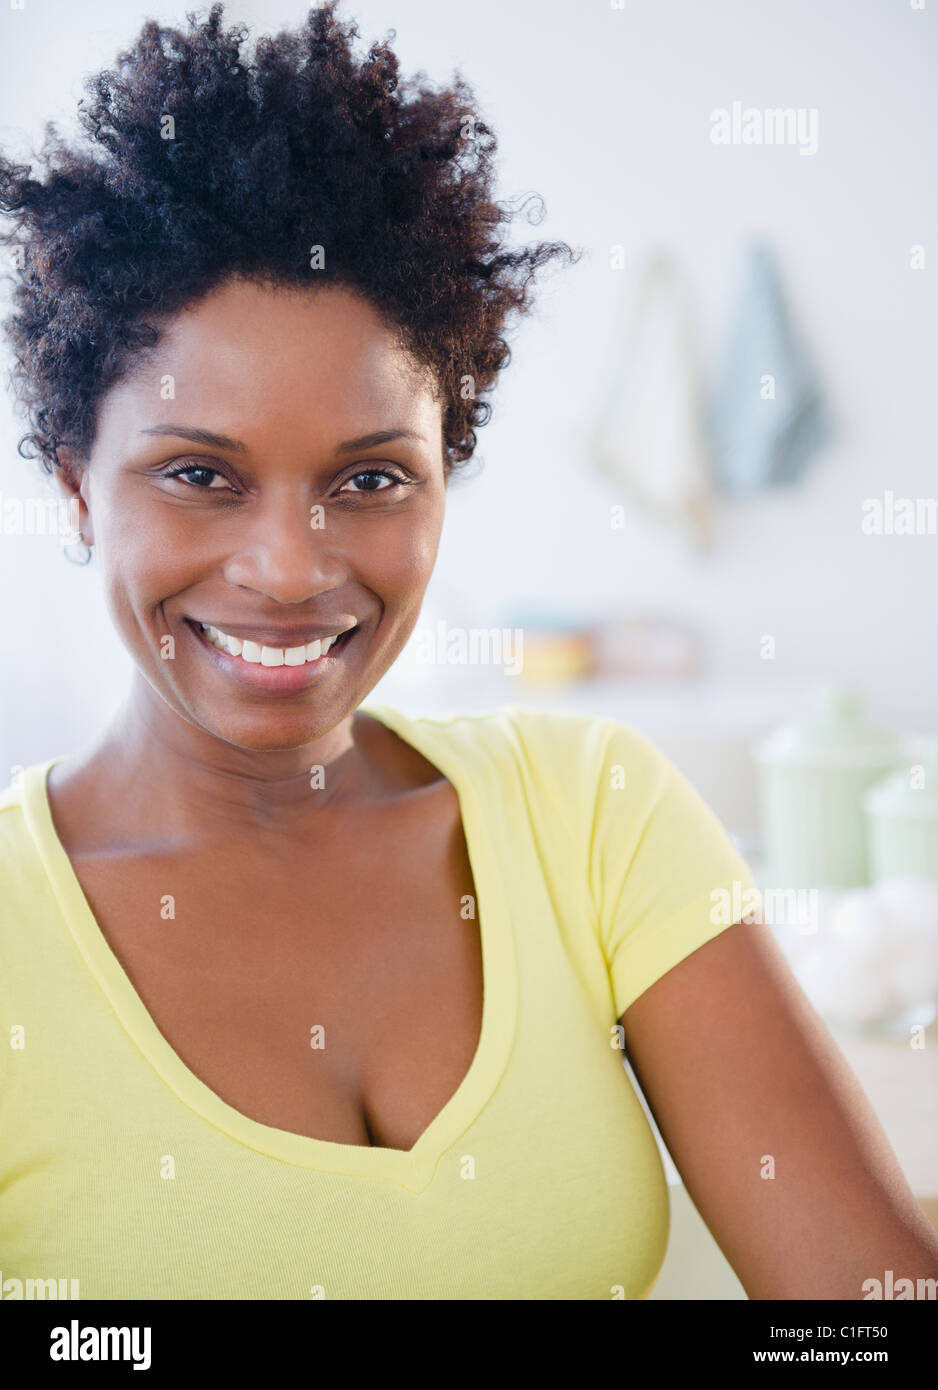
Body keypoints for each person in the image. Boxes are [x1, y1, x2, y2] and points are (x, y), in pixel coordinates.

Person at [1, 1, 935, 1301]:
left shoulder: (589, 812)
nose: (288, 567)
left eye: (372, 476)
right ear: (80, 489)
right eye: (201, 473)